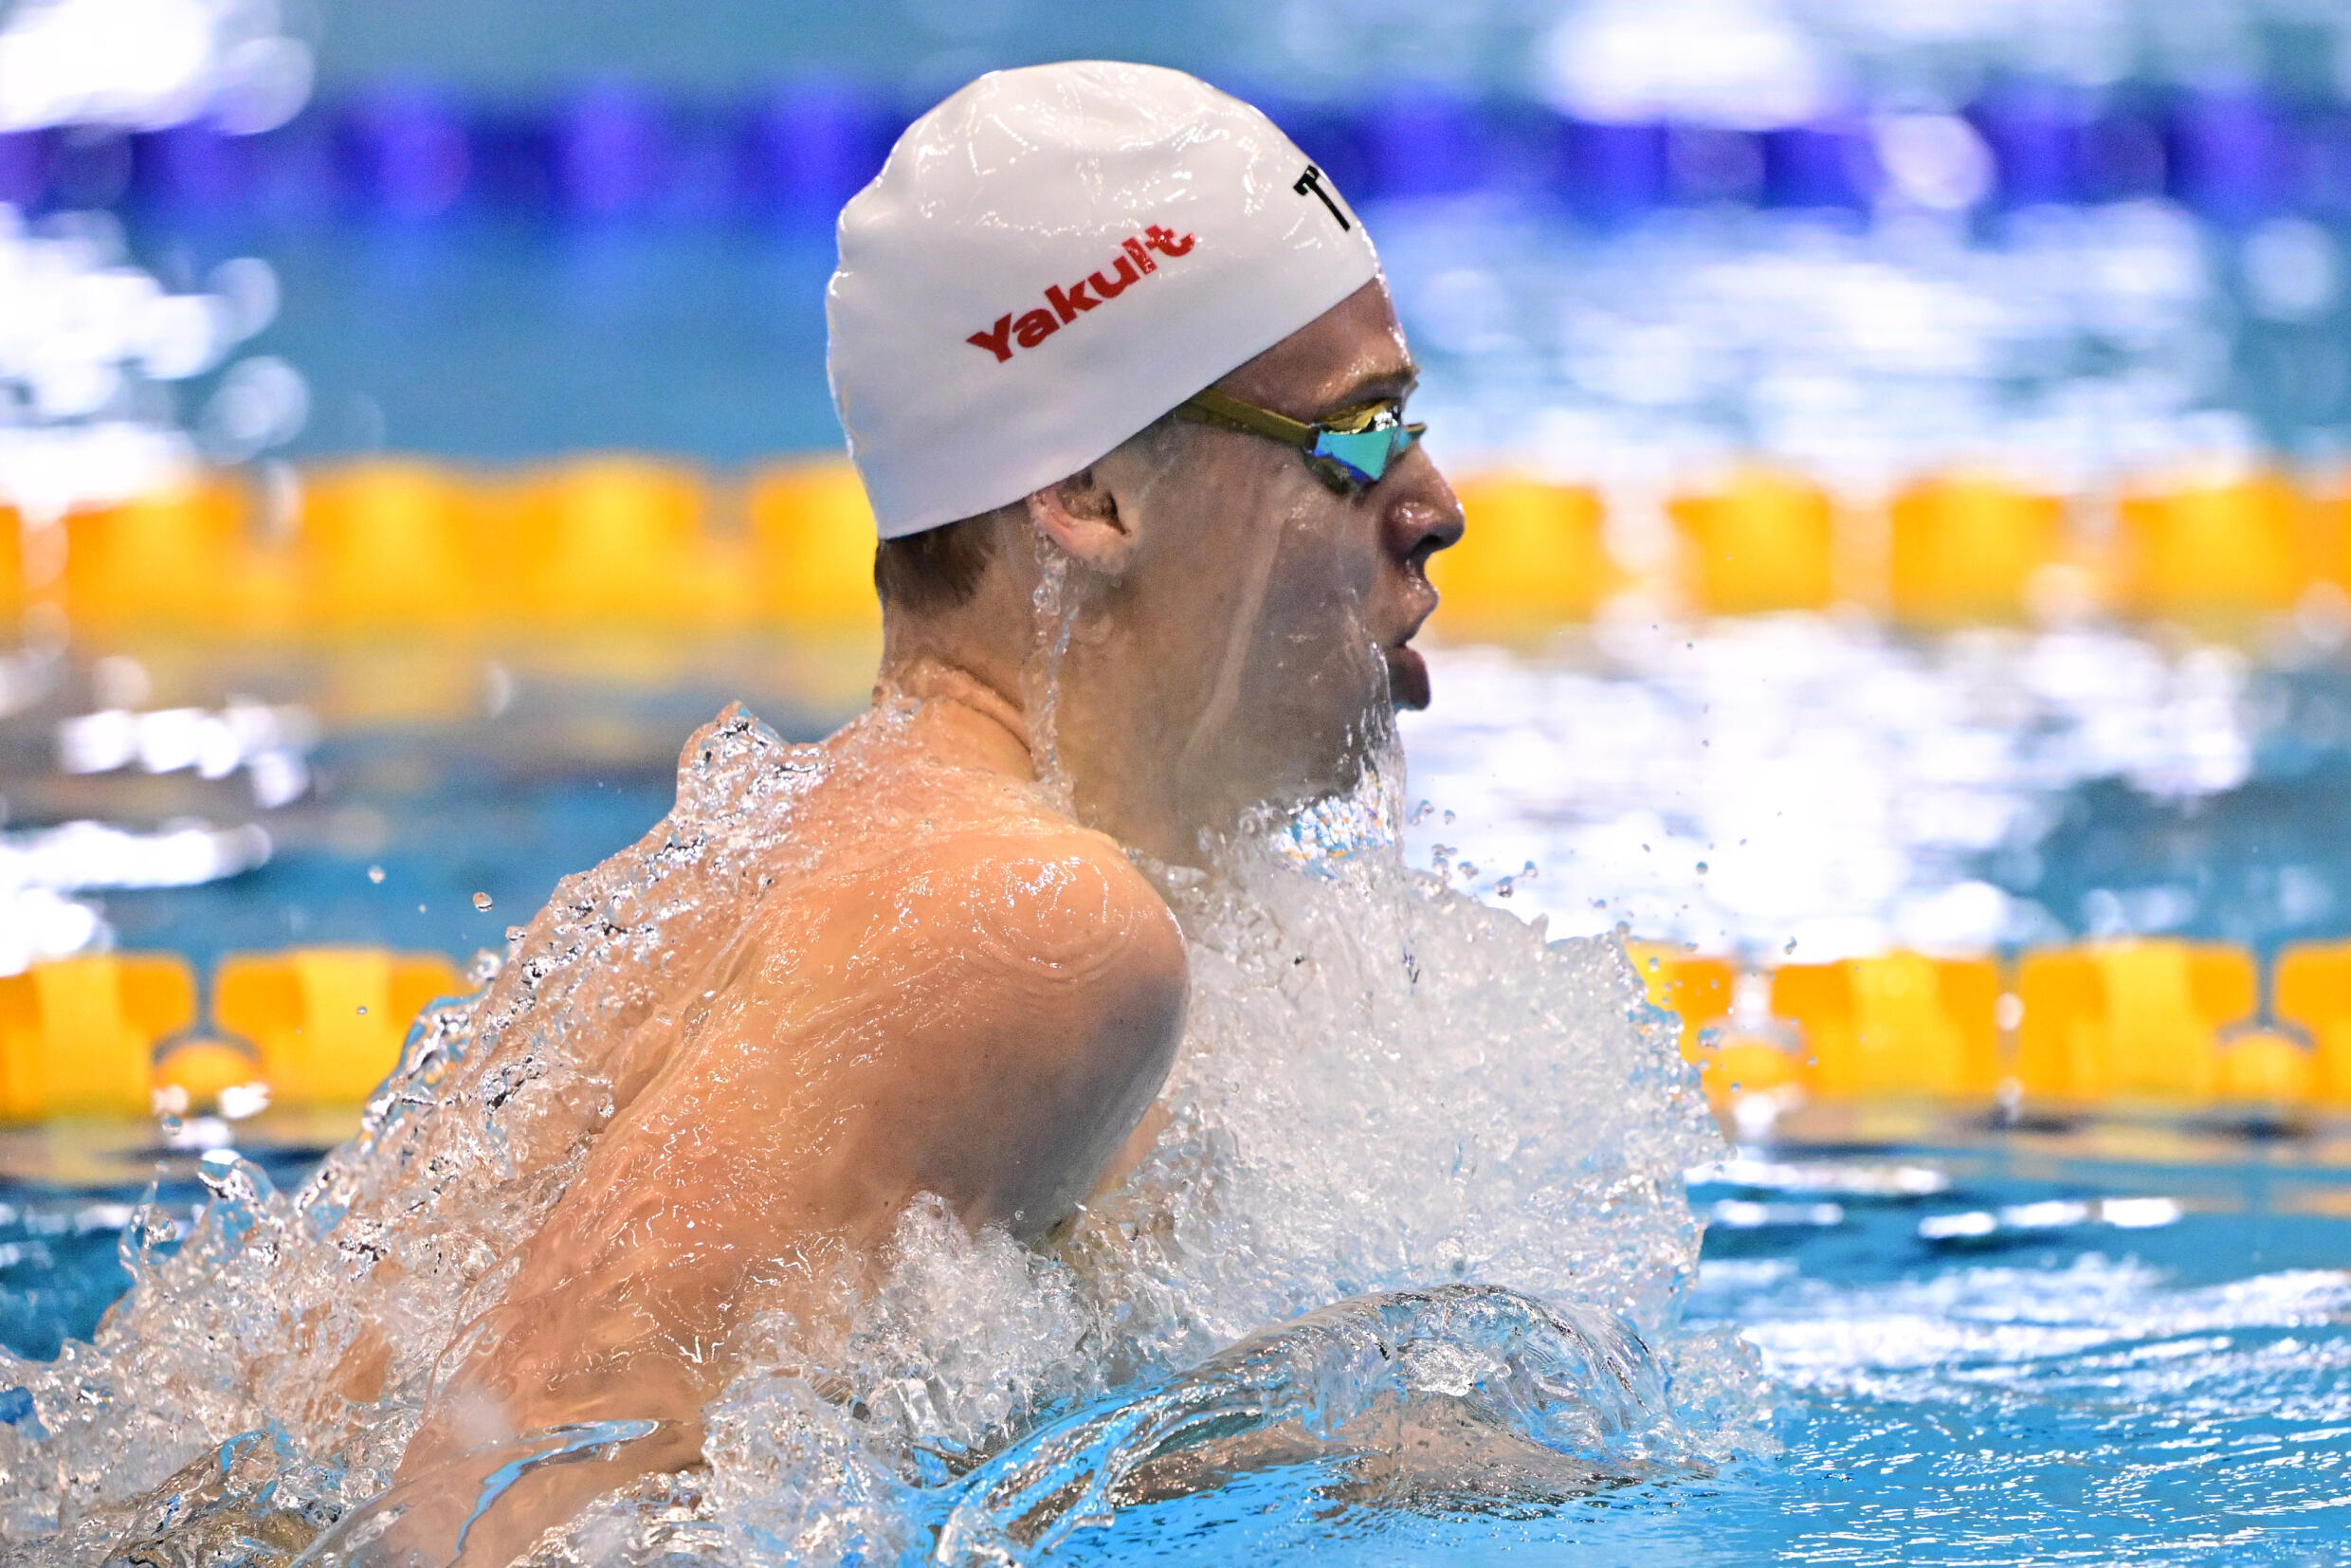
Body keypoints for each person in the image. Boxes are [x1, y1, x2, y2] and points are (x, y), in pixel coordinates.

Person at [388, 60, 1462, 1559]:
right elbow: (487, 1525)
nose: (1432, 501)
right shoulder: (1028, 927)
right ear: (1091, 496)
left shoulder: (840, 858)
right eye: (1353, 436)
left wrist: (1276, 1439)